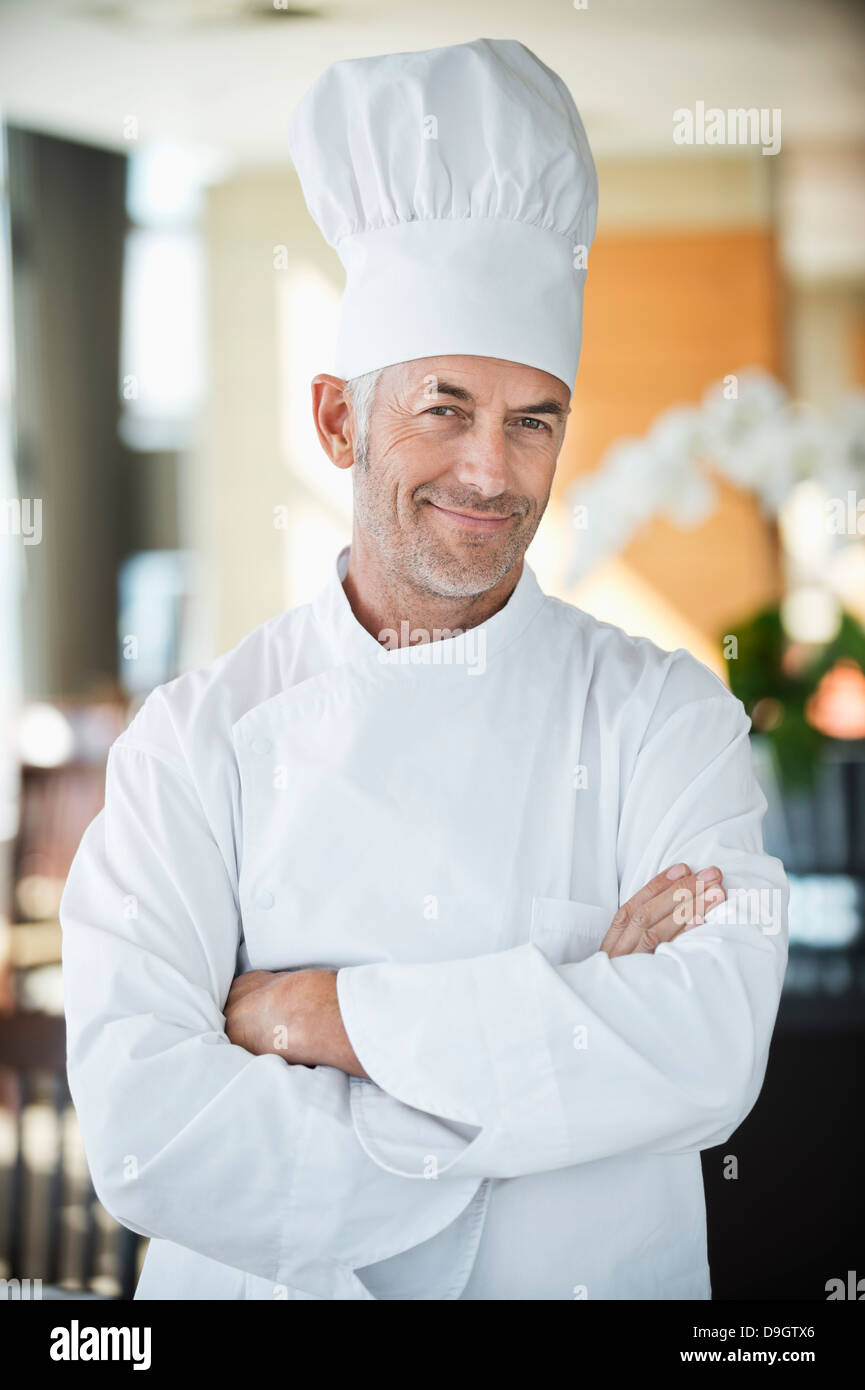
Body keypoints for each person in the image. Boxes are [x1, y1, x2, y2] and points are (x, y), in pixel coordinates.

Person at [60, 37, 788, 1301]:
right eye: (443, 408)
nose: (491, 473)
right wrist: (555, 1038)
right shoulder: (195, 743)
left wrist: (316, 1019)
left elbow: (710, 1051)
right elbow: (146, 1132)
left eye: (532, 419)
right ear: (339, 418)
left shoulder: (667, 717)